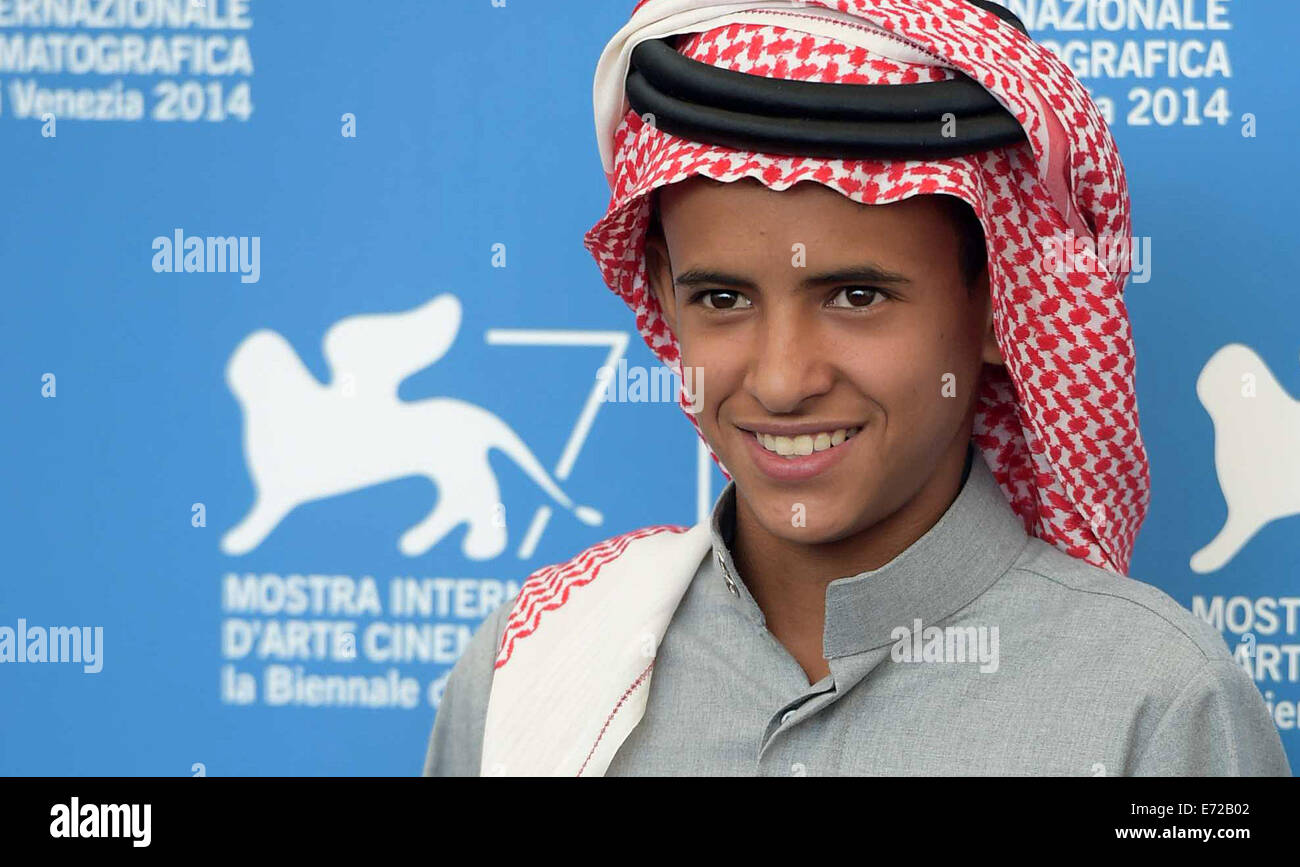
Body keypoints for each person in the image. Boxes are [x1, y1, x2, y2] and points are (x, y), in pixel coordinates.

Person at [422, 0, 1291, 776]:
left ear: (1004, 305)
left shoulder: (1160, 706)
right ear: (662, 297)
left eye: (856, 296)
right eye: (722, 299)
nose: (782, 379)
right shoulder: (533, 667)